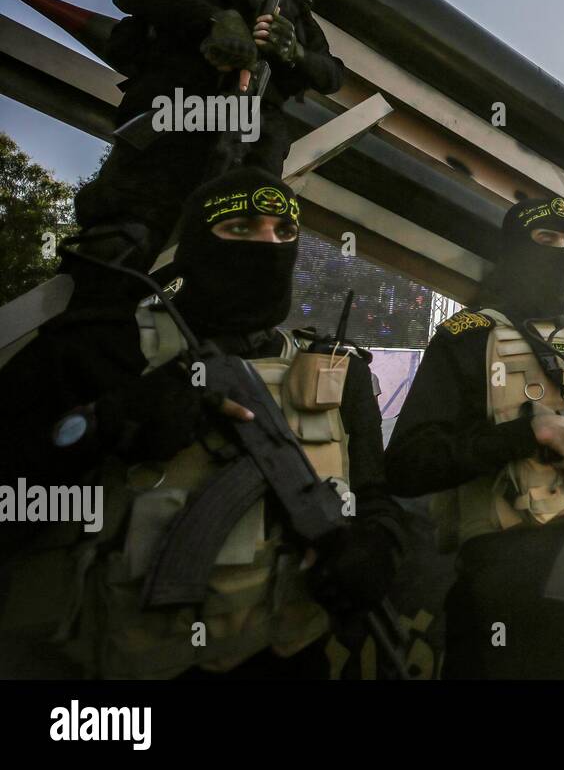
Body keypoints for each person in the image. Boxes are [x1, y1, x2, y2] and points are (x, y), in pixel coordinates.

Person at [0, 168, 402, 678]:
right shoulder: (99, 348)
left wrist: (378, 547)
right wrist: (110, 422)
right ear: (194, 244)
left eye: (284, 231)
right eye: (239, 227)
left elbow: (373, 496)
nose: (267, 244)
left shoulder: (336, 373)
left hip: (285, 659)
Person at [385, 196, 564, 679]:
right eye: (545, 240)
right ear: (516, 249)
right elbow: (408, 464)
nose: (560, 252)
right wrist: (527, 432)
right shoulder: (466, 336)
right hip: (504, 600)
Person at [72, 0, 343, 277]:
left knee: (238, 259)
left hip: (253, 133)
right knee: (124, 236)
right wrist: (212, 19)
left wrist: (296, 54)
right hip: (177, 109)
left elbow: (333, 73)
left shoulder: (294, 5)